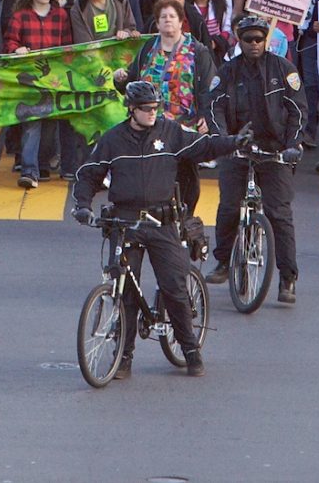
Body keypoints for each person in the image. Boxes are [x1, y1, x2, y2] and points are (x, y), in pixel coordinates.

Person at [69, 77, 237, 377]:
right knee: (125, 291)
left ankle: (190, 350)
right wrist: (82, 206)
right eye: (145, 109)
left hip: (162, 222)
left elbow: (204, 146)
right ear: (130, 109)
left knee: (174, 287)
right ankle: (124, 359)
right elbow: (88, 174)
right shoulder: (112, 140)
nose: (152, 113)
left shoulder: (171, 132)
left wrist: (235, 142)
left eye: (155, 108)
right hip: (124, 221)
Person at [208, 13, 301, 305]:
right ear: (239, 40)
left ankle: (288, 277)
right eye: (248, 40)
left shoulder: (283, 70)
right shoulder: (227, 72)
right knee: (228, 207)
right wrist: (224, 140)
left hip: (274, 151)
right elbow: (214, 107)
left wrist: (293, 145)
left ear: (267, 40)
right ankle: (223, 261)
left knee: (280, 213)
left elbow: (298, 111)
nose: (254, 44)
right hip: (237, 148)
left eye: (259, 39)